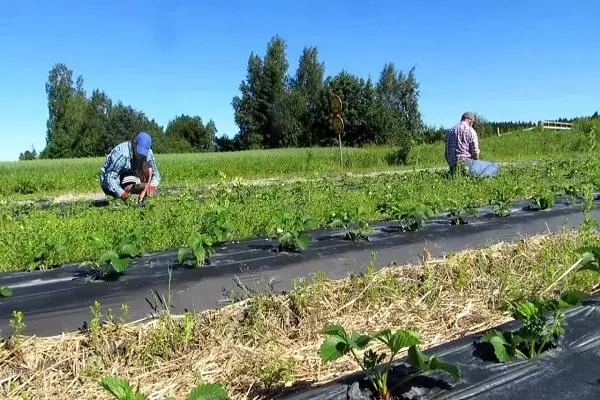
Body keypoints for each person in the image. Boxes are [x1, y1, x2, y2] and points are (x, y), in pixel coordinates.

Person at [99, 131, 161, 203]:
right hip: (111, 181)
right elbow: (109, 178)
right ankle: (127, 194)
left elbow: (156, 175)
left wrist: (151, 186)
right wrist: (122, 194)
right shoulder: (121, 154)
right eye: (139, 152)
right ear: (134, 144)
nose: (141, 155)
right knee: (128, 189)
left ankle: (141, 192)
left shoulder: (148, 152)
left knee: (147, 166)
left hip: (132, 175)